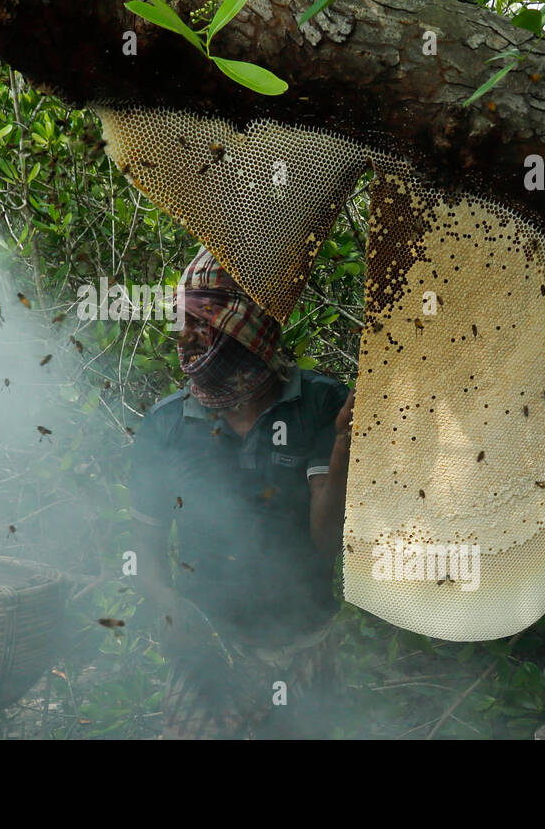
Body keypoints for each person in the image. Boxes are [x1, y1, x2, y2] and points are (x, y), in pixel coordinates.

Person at [129, 246, 354, 738]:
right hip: (208, 652)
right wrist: (165, 602)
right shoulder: (167, 424)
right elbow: (142, 549)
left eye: (200, 324)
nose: (186, 341)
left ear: (244, 328)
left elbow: (325, 546)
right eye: (182, 324)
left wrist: (341, 446)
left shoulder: (318, 404)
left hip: (303, 642)